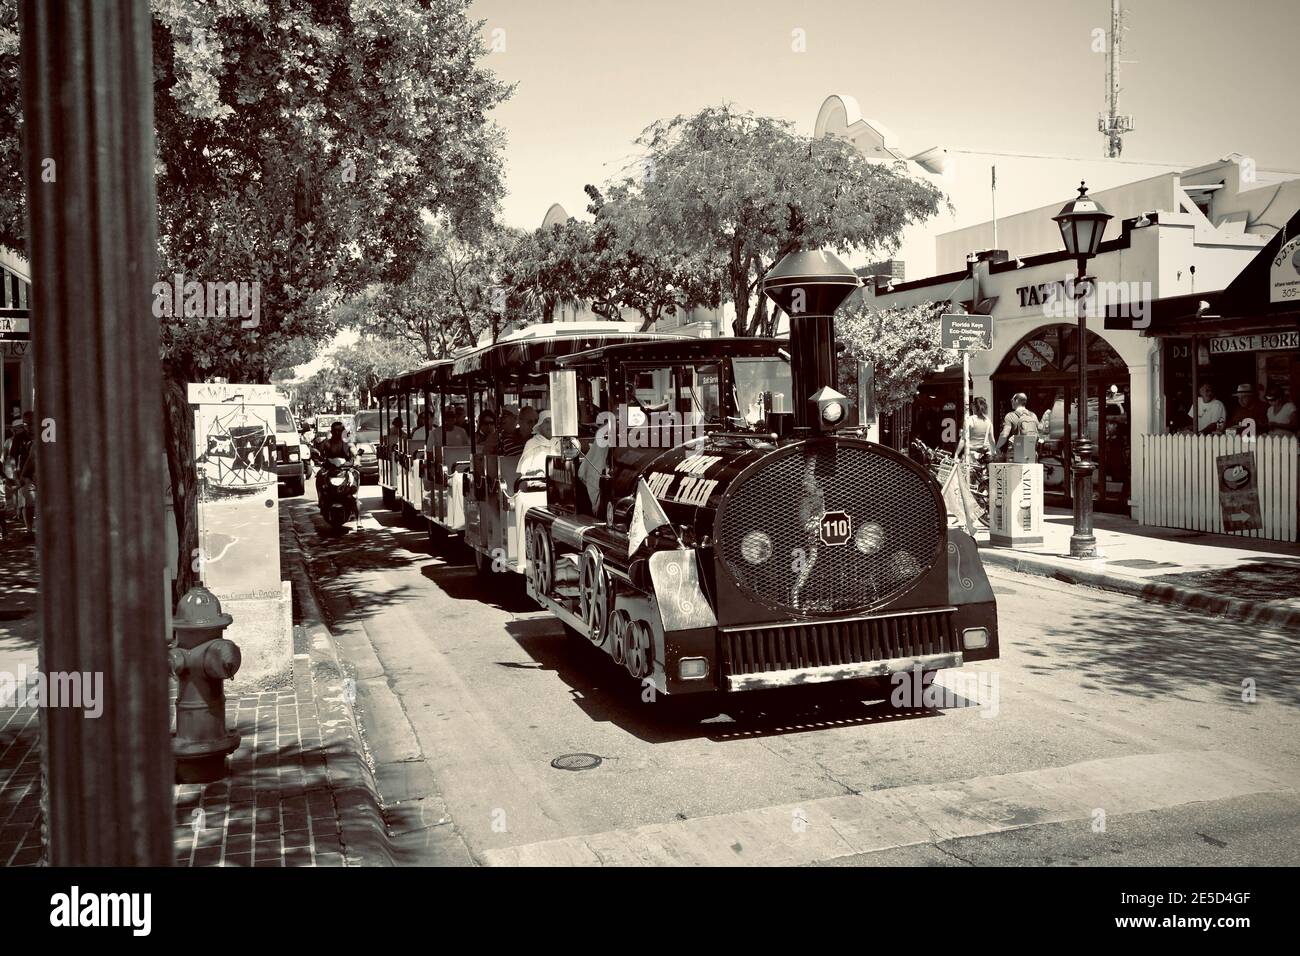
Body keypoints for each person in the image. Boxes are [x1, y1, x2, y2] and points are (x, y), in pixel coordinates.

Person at [994, 393, 1040, 461]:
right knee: (1029, 470)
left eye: (1012, 400)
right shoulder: (1033, 415)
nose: (1011, 402)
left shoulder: (1010, 416)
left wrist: (997, 447)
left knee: (1013, 470)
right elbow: (1039, 432)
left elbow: (1004, 435)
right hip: (1030, 449)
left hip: (1017, 449)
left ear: (1016, 401)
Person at [517, 409, 560, 479]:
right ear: (540, 426)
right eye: (547, 422)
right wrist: (538, 471)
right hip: (537, 483)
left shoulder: (560, 443)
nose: (550, 425)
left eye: (552, 422)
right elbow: (524, 470)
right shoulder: (531, 443)